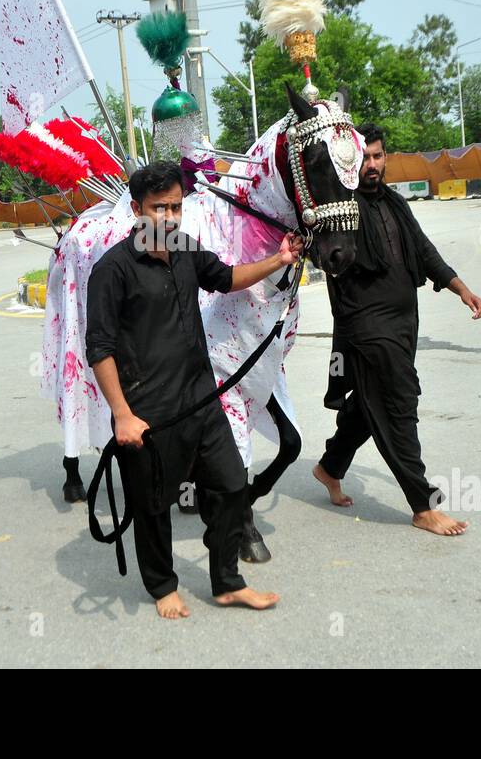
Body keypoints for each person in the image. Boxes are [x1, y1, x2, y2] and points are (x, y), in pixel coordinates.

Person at [85, 160, 298, 619]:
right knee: (153, 505)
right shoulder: (113, 270)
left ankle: (226, 582)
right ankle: (162, 586)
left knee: (230, 488)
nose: (169, 217)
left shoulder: (183, 248)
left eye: (176, 207)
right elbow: (99, 349)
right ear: (136, 210)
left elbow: (225, 278)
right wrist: (122, 414)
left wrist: (277, 261)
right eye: (158, 208)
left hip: (202, 402)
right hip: (148, 413)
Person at [313, 124, 481, 536]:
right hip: (366, 325)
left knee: (369, 403)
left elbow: (423, 250)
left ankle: (329, 466)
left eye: (377, 156)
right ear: (351, 162)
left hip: (405, 322)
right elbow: (324, 254)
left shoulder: (394, 202)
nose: (371, 165)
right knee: (398, 406)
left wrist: (460, 287)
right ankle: (423, 505)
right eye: (364, 158)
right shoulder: (342, 207)